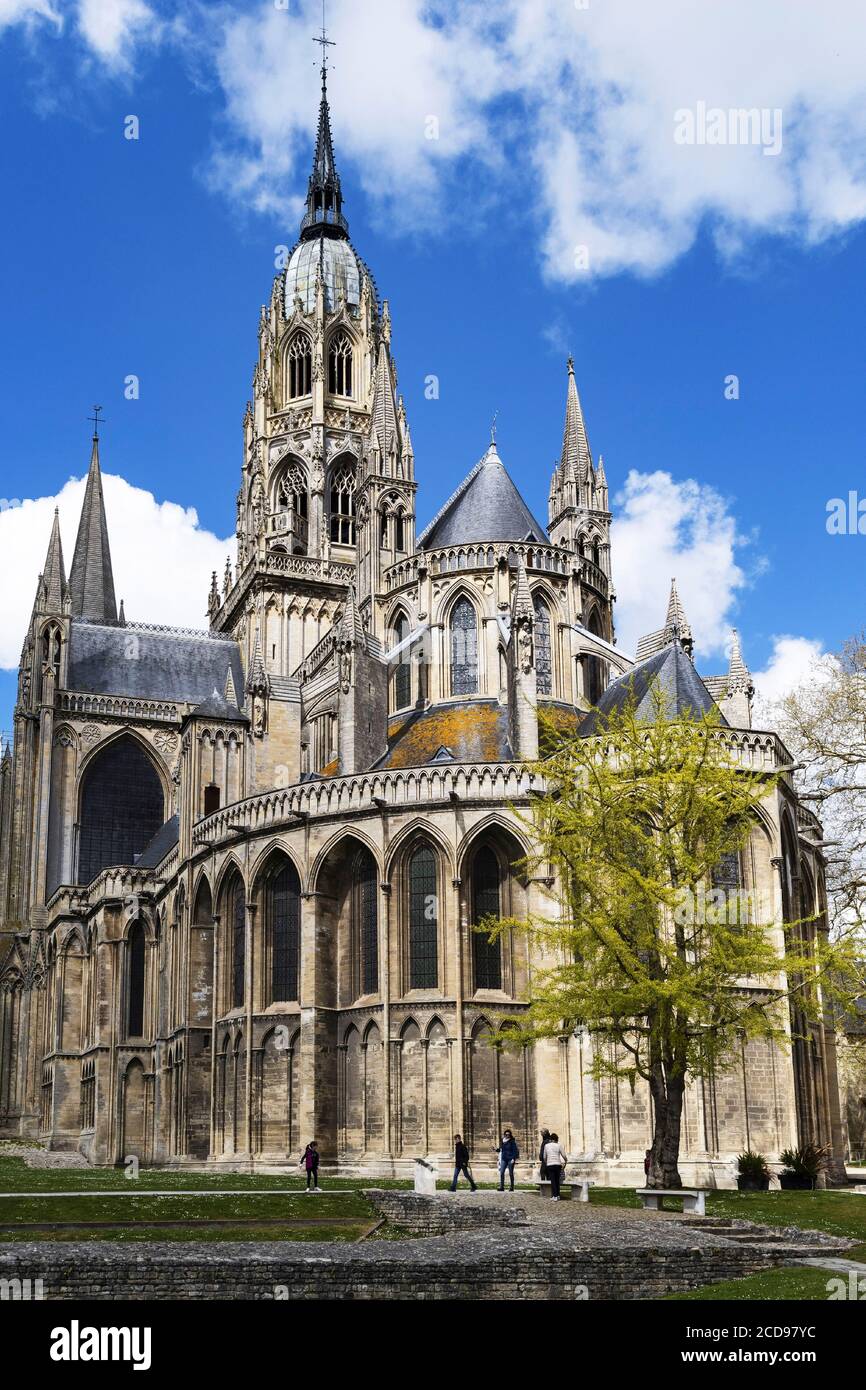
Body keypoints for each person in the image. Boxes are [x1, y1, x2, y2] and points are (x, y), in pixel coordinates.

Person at [542, 1132, 568, 1200]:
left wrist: (546, 1162)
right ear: (556, 1139)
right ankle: (558, 1195)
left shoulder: (546, 1146)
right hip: (557, 1164)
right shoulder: (559, 1145)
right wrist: (566, 1160)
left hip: (550, 1164)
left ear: (551, 1139)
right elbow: (564, 1155)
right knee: (557, 1180)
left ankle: (554, 1196)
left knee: (553, 1180)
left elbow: (544, 1156)